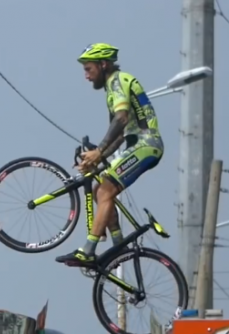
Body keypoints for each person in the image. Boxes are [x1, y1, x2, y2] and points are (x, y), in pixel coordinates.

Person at [56, 43, 164, 267]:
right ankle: (119, 246)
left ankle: (88, 250)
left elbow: (122, 119)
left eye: (89, 69)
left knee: (105, 191)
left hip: (145, 145)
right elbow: (119, 136)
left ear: (103, 64)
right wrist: (98, 160)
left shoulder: (117, 81)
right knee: (99, 190)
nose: (86, 76)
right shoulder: (112, 89)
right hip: (135, 145)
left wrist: (99, 152)